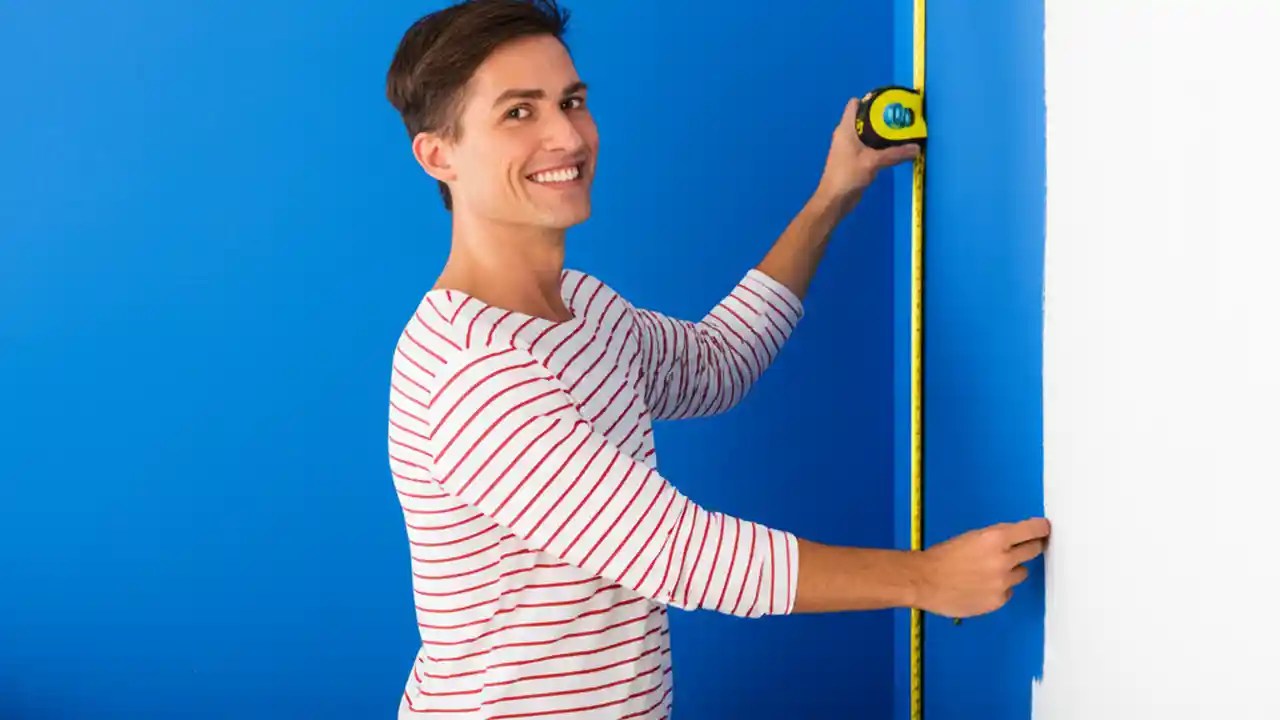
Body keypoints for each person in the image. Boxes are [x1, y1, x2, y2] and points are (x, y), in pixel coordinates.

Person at [382, 1, 1051, 717]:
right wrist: (925, 580)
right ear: (437, 154)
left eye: (571, 101)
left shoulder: (580, 308)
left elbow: (717, 364)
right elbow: (679, 554)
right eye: (519, 113)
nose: (566, 135)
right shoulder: (478, 372)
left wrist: (831, 197)